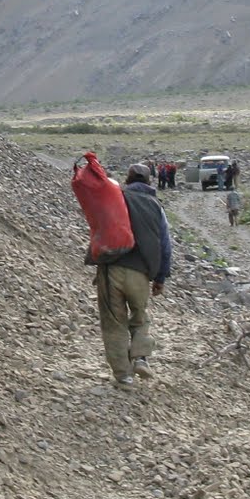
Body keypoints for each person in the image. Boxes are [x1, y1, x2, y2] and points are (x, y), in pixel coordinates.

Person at [91, 163, 173, 387]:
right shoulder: (156, 206)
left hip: (111, 269)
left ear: (127, 180)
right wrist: (161, 278)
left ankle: (123, 376)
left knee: (114, 322)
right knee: (140, 316)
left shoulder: (116, 198)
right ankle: (140, 358)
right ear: (149, 181)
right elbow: (165, 246)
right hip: (140, 272)